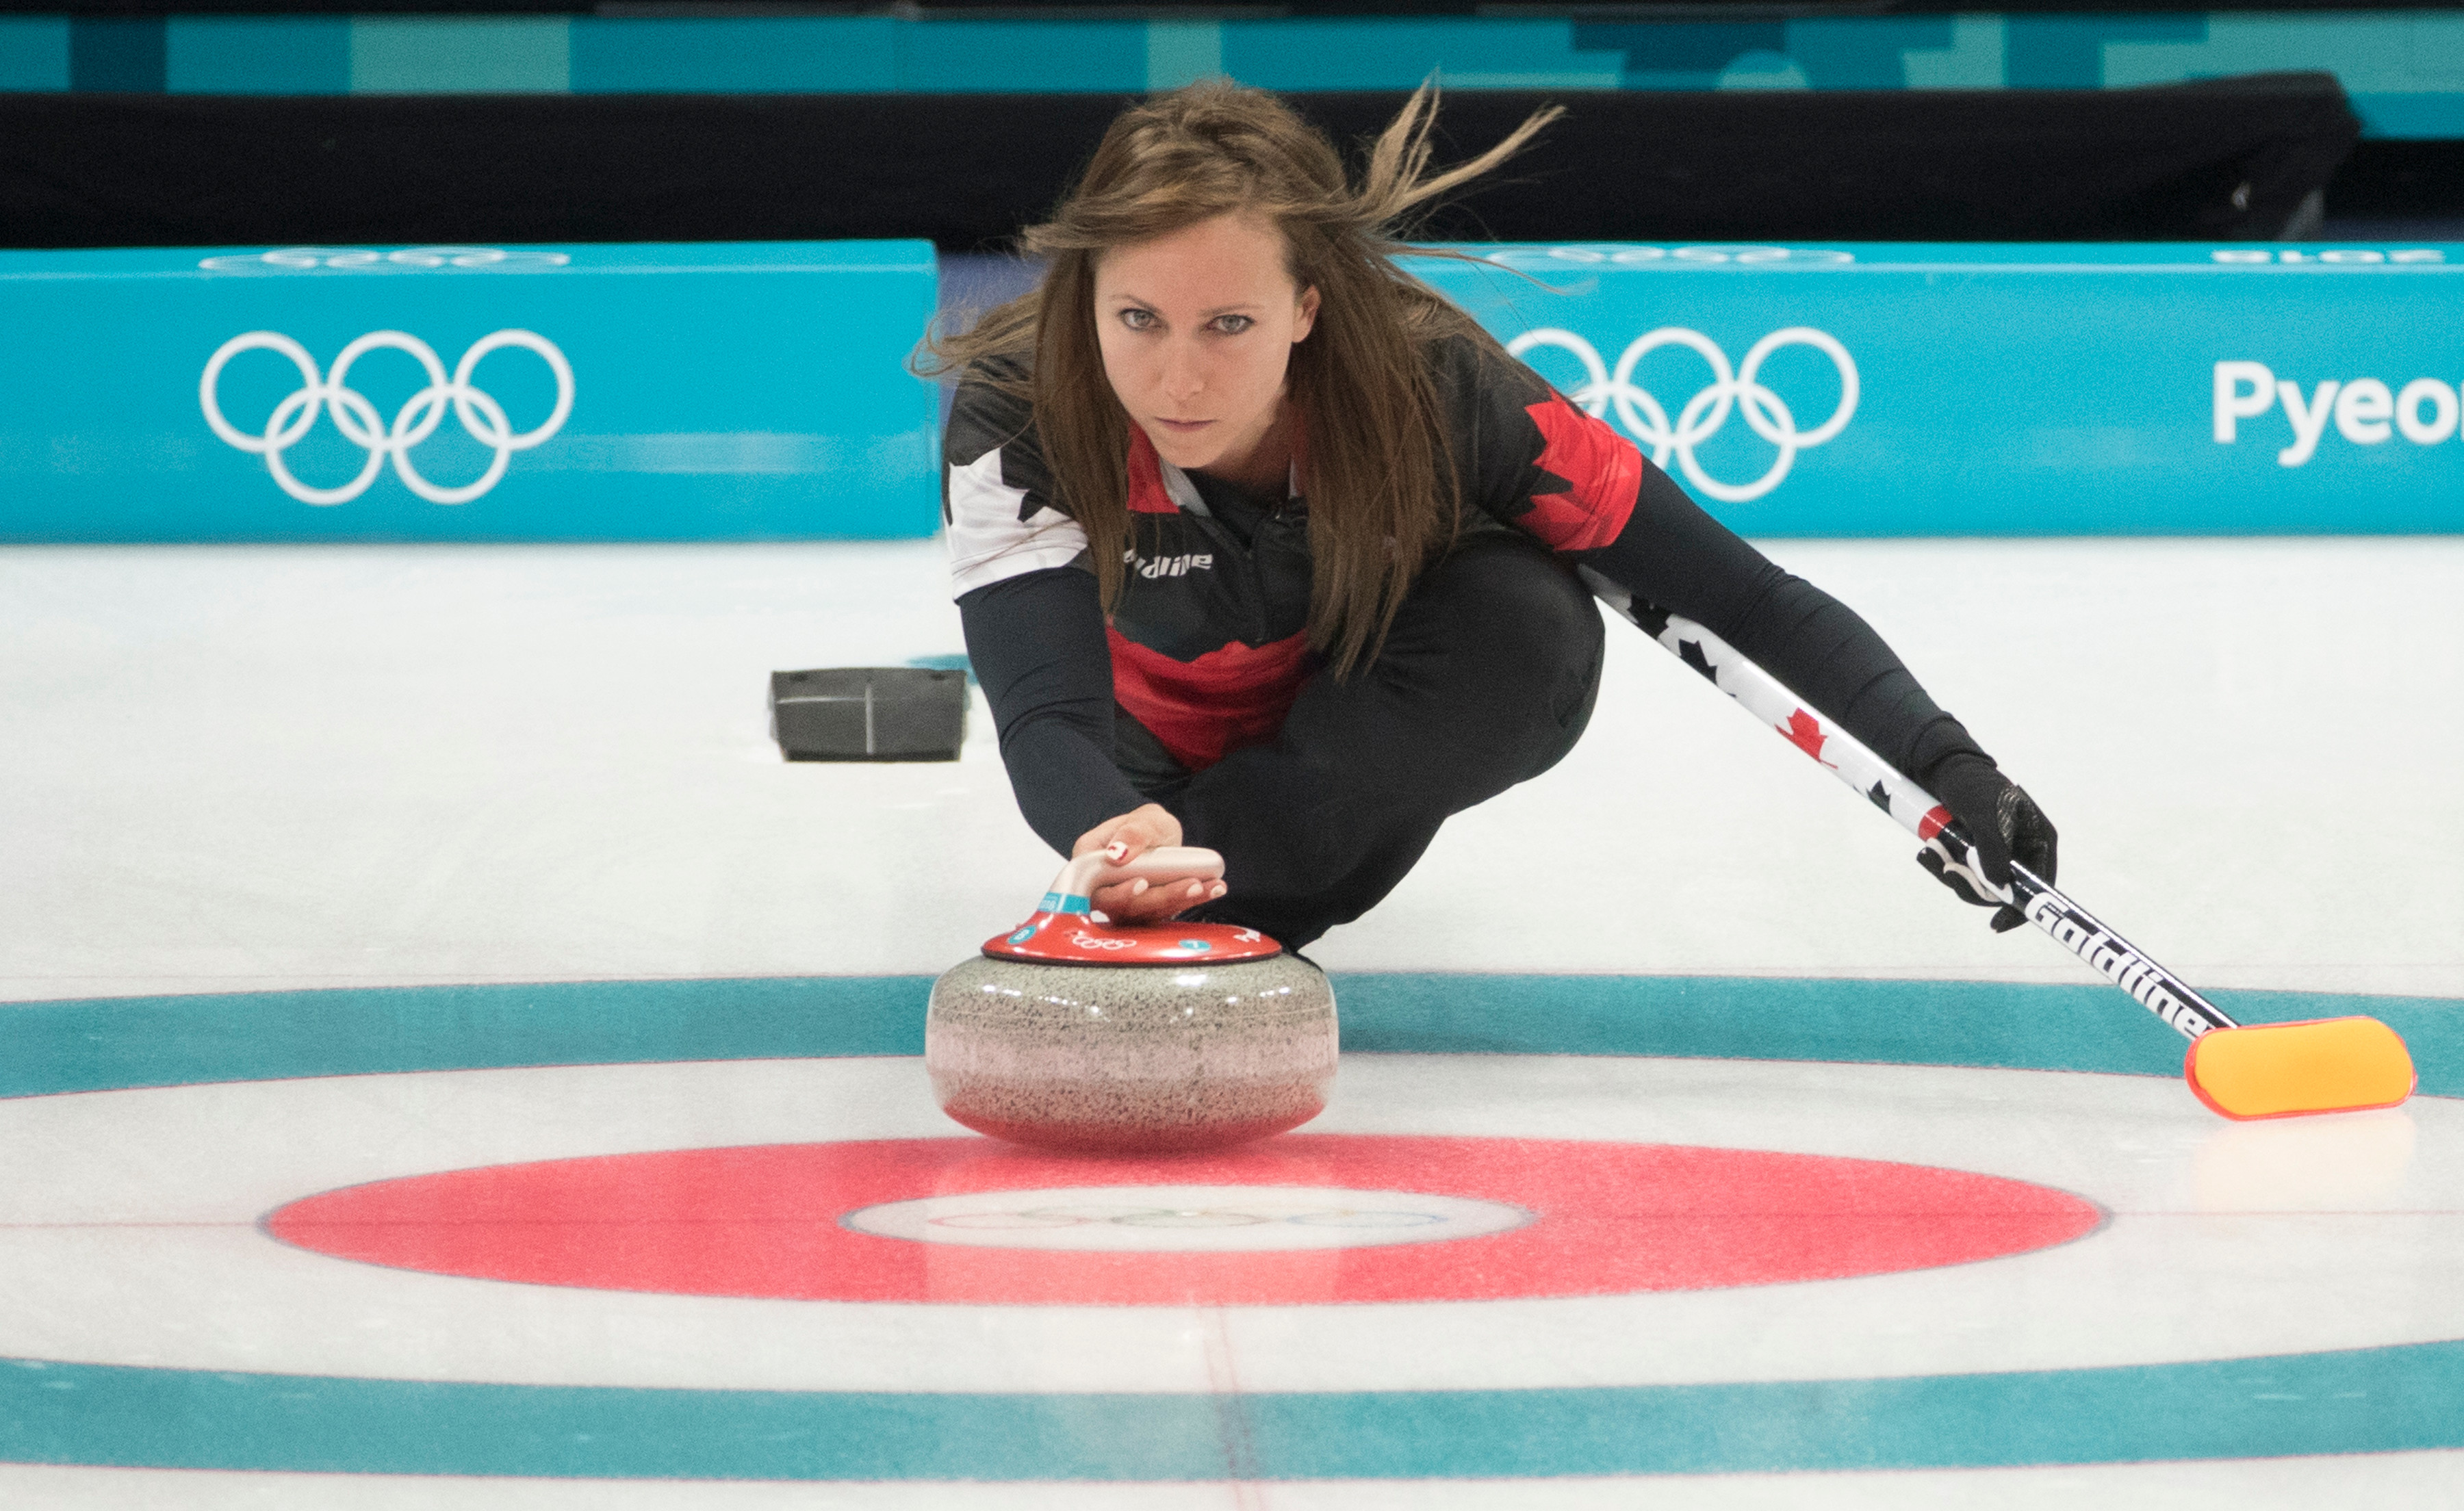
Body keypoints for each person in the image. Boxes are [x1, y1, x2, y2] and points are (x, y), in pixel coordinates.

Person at [922, 80, 2055, 951]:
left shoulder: (1441, 392)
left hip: (1350, 746)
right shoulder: (1021, 418)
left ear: (1307, 307)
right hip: (1141, 777)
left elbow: (1745, 597)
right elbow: (1046, 716)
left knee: (1530, 620)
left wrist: (1949, 763)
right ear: (1087, 298)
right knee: (1151, 818)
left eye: (1229, 325)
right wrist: (1118, 838)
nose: (1178, 381)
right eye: (1137, 319)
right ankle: (1199, 894)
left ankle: (1226, 901)